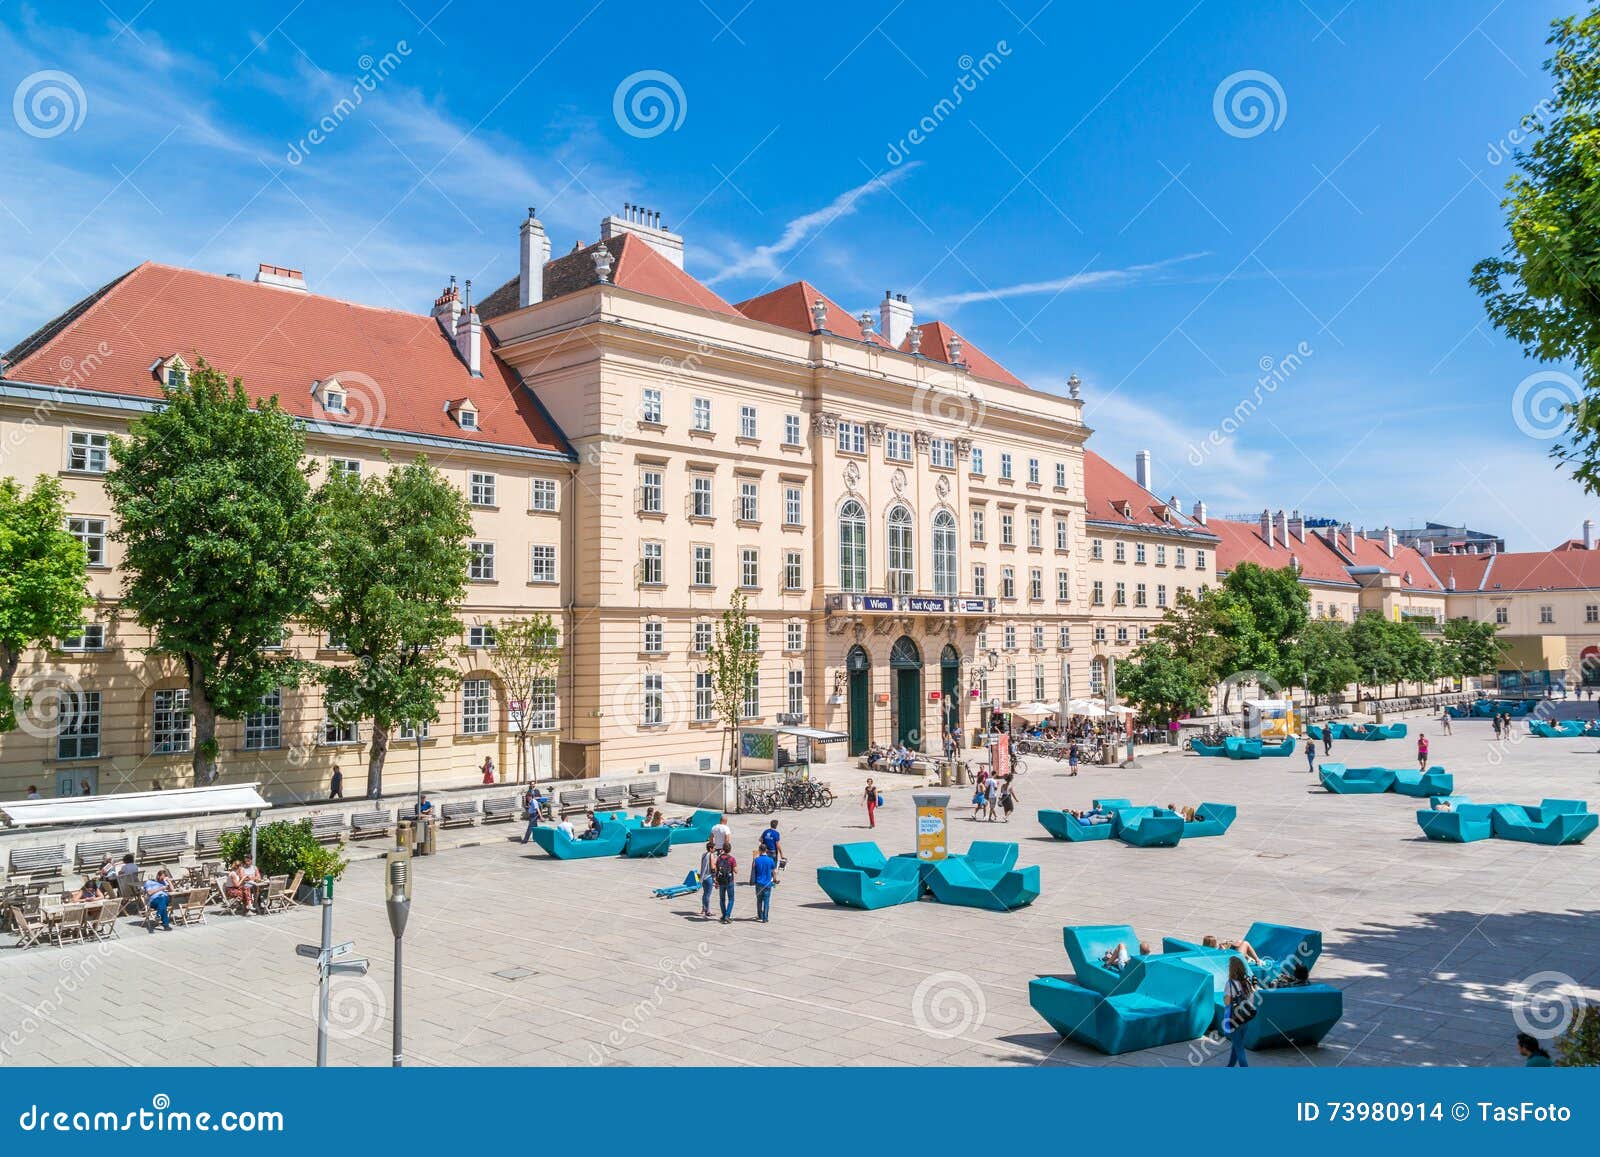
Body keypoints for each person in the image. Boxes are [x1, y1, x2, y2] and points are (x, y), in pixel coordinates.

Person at [1223, 955, 1254, 1067]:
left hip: (1234, 1019)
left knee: (1239, 1048)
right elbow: (1252, 1000)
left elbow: (1227, 1002)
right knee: (1236, 1046)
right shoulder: (1248, 982)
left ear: (1232, 969)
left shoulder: (1230, 984)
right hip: (1246, 1018)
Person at [750, 843, 777, 922]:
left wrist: (754, 858)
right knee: (766, 900)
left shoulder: (757, 860)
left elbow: (753, 868)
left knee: (759, 900)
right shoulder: (770, 860)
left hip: (759, 883)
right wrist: (775, 879)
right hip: (767, 883)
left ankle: (760, 915)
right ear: (766, 850)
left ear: (759, 850)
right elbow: (774, 871)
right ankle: (765, 917)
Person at [713, 844, 738, 924]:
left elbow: (716, 870)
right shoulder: (732, 859)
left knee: (722, 899)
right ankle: (727, 915)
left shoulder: (719, 858)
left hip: (721, 881)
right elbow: (735, 871)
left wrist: (716, 881)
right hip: (729, 881)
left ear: (723, 849)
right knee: (731, 899)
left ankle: (724, 915)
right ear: (730, 850)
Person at [699, 839, 716, 919]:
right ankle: (707, 911)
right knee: (707, 895)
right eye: (714, 848)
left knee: (705, 893)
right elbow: (712, 868)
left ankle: (703, 908)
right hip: (708, 877)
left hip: (703, 877)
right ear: (710, 849)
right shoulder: (711, 855)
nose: (715, 849)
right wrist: (715, 877)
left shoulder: (704, 854)